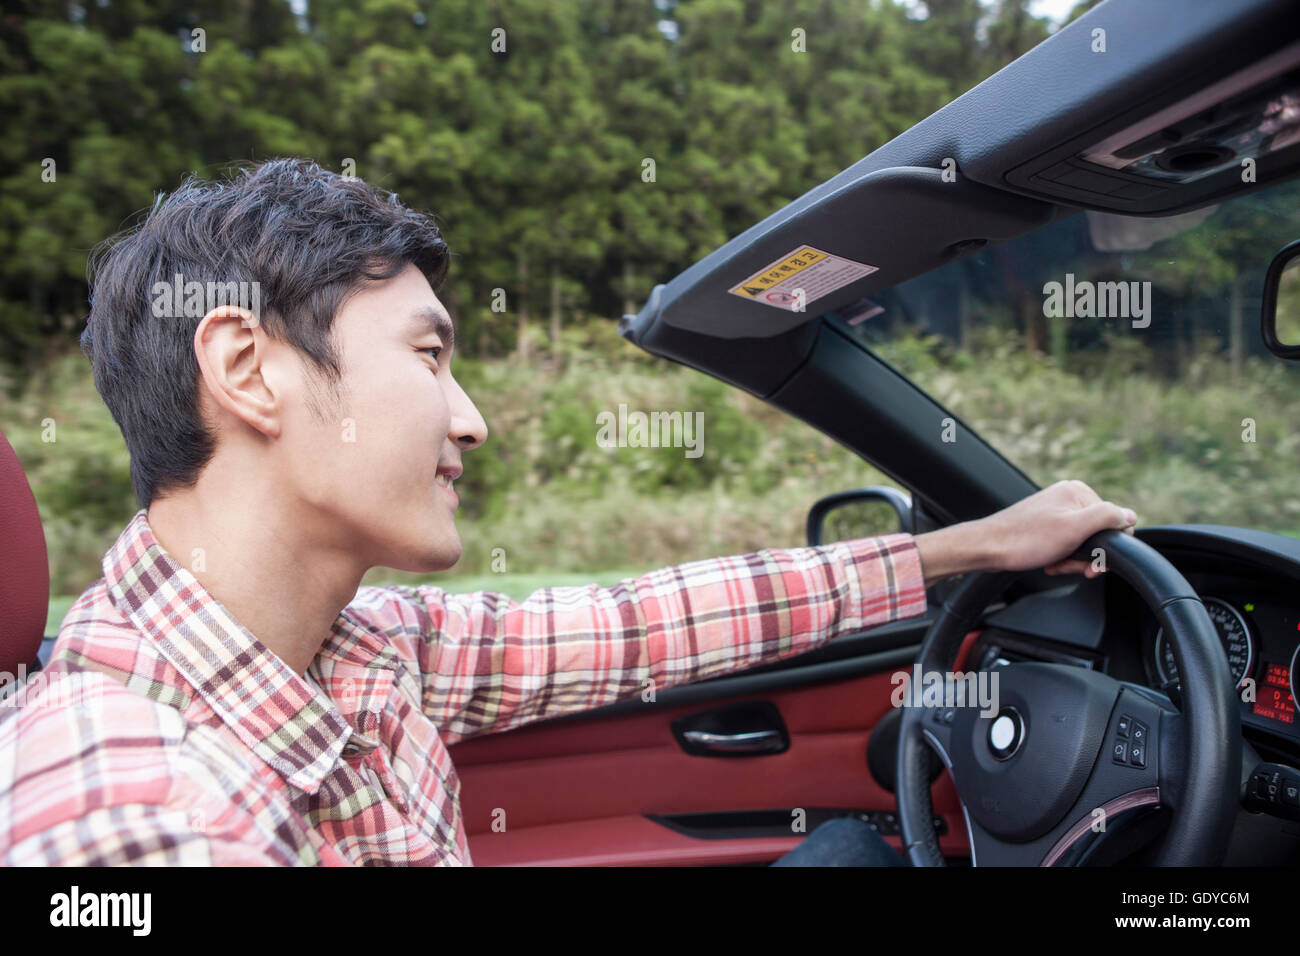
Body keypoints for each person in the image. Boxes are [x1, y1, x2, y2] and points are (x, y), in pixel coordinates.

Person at [0, 159, 1136, 866]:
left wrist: (972, 545)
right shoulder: (126, 802)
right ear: (249, 369)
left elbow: (642, 624)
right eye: (430, 354)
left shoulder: (351, 649)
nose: (472, 418)